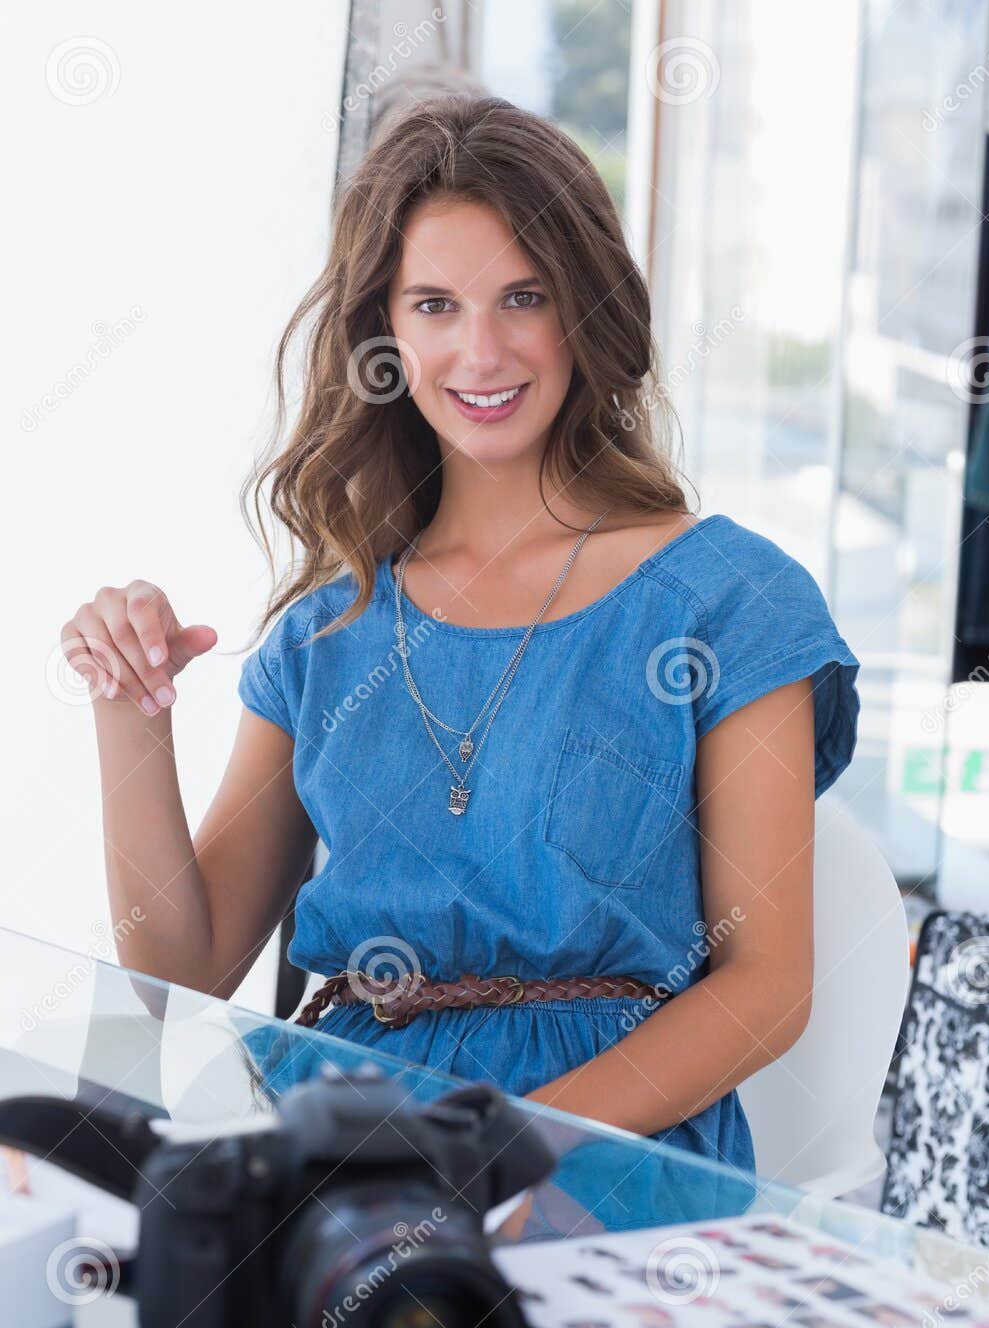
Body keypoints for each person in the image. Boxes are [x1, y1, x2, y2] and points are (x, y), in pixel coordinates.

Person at [61, 94, 860, 1179]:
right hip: (329, 1149)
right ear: (383, 333)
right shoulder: (326, 631)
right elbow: (182, 971)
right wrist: (130, 708)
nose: (478, 351)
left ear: (585, 311)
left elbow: (765, 990)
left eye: (522, 297)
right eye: (434, 304)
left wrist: (492, 1151)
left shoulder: (729, 600)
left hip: (594, 1166)